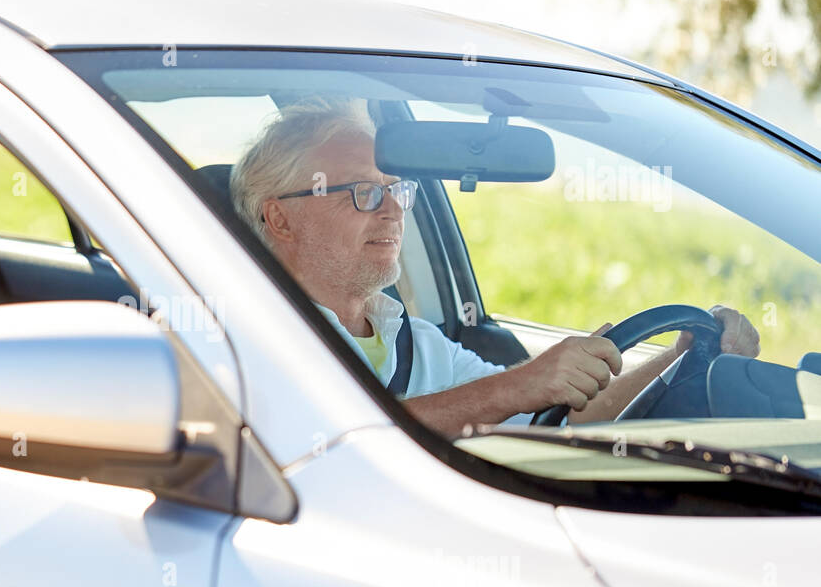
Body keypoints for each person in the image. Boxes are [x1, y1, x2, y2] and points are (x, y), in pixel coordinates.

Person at [230, 101, 761, 435]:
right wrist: (519, 385)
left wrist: (678, 359)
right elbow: (336, 439)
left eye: (398, 189)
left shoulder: (414, 339)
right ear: (280, 216)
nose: (393, 209)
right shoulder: (252, 336)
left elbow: (552, 416)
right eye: (364, 192)